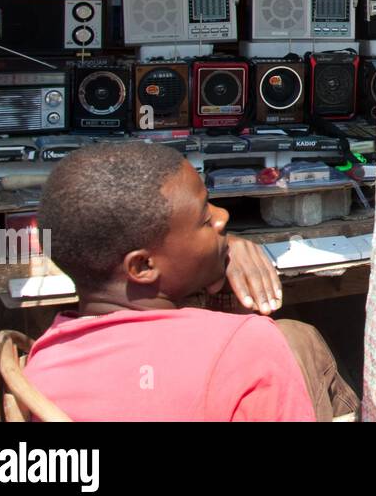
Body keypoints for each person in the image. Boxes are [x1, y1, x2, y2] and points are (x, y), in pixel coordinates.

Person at [24, 141, 359, 421]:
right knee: (300, 338)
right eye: (204, 218)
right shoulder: (250, 345)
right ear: (141, 266)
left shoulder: (40, 364)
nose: (223, 217)